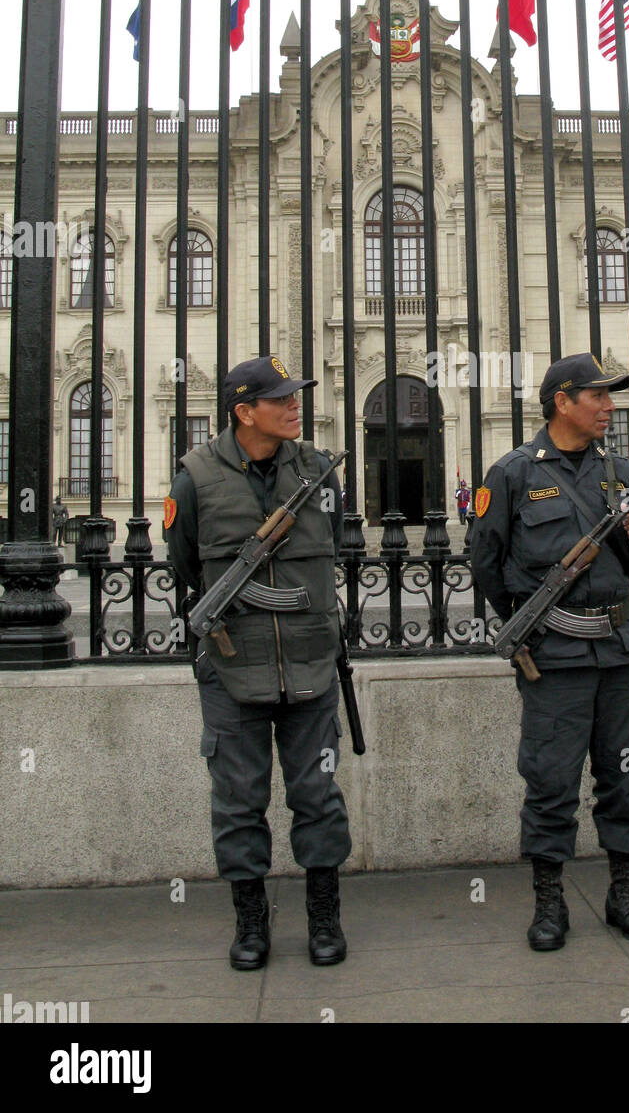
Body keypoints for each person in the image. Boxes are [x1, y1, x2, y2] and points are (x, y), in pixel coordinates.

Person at [469, 353, 629, 952]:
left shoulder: (621, 471)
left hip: (621, 652)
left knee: (626, 771)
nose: (610, 406)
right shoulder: (512, 475)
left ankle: (624, 893)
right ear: (563, 401)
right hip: (555, 658)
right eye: (599, 396)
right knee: (552, 780)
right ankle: (550, 901)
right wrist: (532, 624)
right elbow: (487, 565)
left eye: (611, 397)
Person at [164, 355, 350, 971]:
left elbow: (333, 550)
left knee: (318, 795)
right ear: (245, 412)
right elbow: (187, 564)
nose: (295, 405)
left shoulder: (320, 472)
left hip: (312, 665)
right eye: (281, 399)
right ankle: (250, 922)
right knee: (239, 801)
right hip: (233, 666)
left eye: (295, 397)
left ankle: (324, 916)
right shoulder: (193, 477)